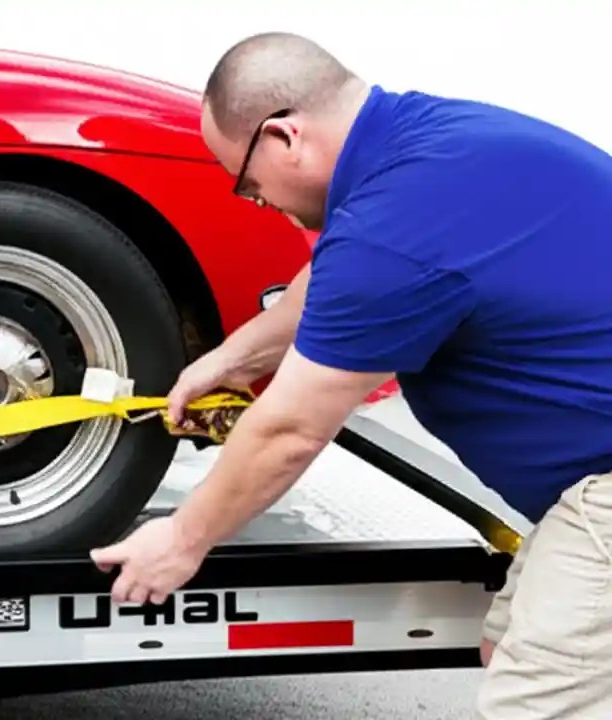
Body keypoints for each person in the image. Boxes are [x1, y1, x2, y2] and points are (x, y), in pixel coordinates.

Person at [89, 31, 612, 717]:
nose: (257, 200)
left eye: (247, 184)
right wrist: (229, 359)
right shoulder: (427, 143)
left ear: (284, 137)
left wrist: (183, 542)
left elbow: (291, 431)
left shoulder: (394, 225)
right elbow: (339, 273)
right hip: (589, 481)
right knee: (508, 644)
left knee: (535, 704)